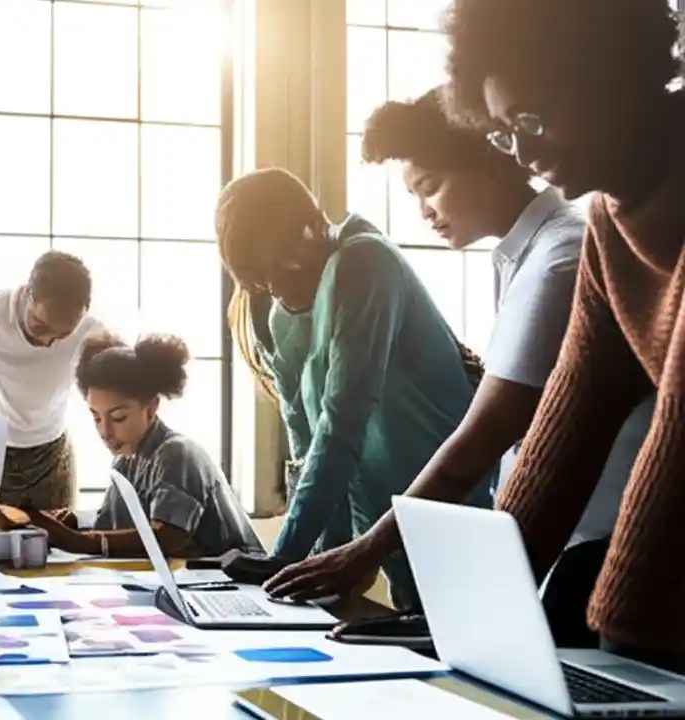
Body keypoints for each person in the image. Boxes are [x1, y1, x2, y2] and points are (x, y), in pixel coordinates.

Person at [264, 90, 654, 648]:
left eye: (431, 187)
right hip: (566, 551)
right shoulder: (527, 255)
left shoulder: (559, 259)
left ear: (492, 159)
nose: (424, 210)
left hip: (600, 553)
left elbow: (485, 437)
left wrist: (366, 550)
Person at [438, 0, 685, 669]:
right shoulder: (608, 219)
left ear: (607, 77)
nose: (520, 149)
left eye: (530, 119)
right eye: (501, 130)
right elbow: (566, 427)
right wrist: (471, 623)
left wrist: (626, 635)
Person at [217, 167, 492, 609]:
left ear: (314, 223)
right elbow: (308, 448)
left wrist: (284, 556)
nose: (277, 284)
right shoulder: (282, 315)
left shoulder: (366, 262)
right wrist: (315, 563)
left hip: (451, 523)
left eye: (282, 263)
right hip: (383, 535)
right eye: (261, 278)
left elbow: (342, 422)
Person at [0, 333, 261, 558]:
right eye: (96, 417)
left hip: (235, 584)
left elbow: (168, 537)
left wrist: (81, 541)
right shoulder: (125, 460)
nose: (105, 431)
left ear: (151, 407)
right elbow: (111, 524)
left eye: (118, 417)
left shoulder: (176, 454)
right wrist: (69, 523)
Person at [0, 251, 102, 512]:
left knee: (59, 545)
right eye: (40, 326)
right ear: (27, 293)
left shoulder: (92, 333)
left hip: (52, 450)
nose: (47, 342)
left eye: (63, 334)